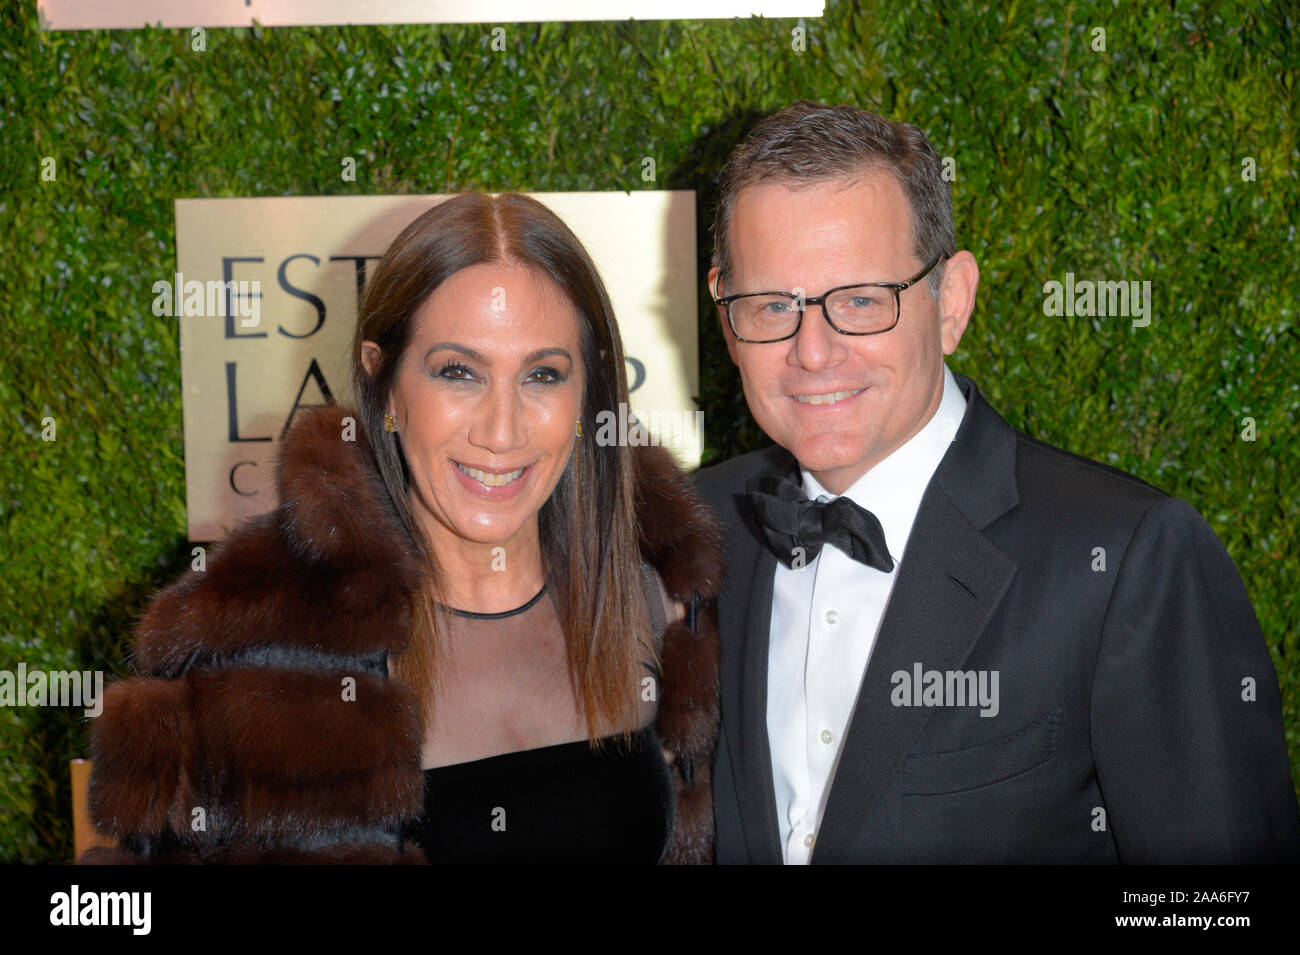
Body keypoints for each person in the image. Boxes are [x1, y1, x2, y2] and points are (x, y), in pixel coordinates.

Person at [694, 100, 1300, 864]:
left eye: (860, 301)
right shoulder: (687, 529)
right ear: (725, 315)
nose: (813, 351)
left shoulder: (1126, 560)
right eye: (773, 305)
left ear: (952, 302)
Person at [81, 192, 723, 864]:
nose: (501, 430)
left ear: (588, 392)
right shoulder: (244, 641)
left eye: (542, 374)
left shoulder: (655, 605)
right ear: (383, 381)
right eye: (458, 372)